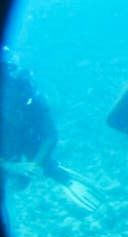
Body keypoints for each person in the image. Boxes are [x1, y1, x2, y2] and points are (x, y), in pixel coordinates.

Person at [1, 46, 101, 211]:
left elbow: (51, 135)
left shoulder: (31, 97)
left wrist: (33, 168)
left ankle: (56, 172)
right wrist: (11, 167)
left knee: (34, 147)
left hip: (19, 143)